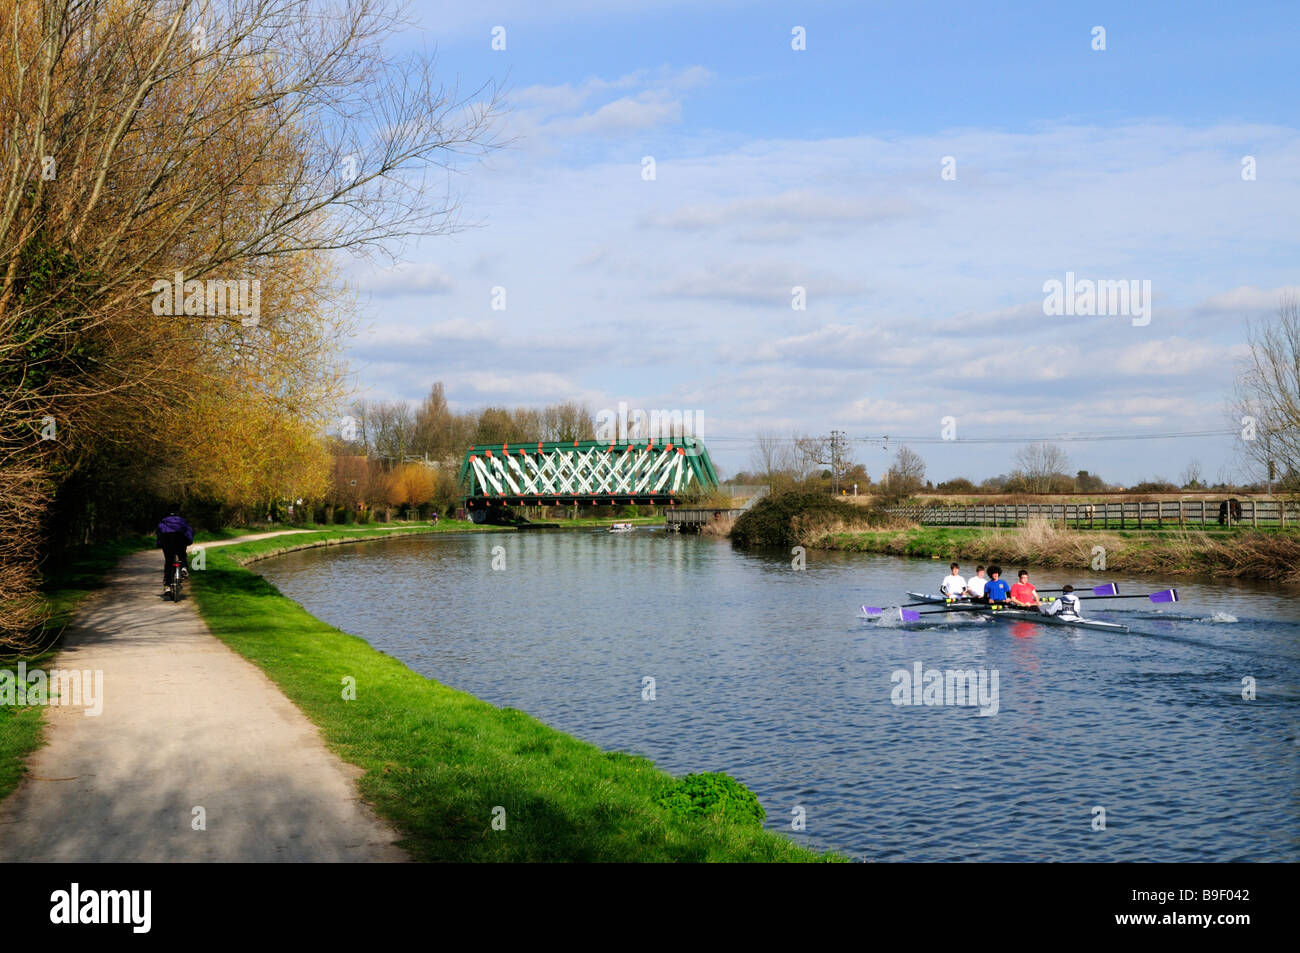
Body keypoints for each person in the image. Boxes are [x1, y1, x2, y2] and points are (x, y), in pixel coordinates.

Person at [156, 503, 194, 596]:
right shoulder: (182, 521)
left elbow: (159, 533)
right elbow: (189, 531)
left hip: (166, 540)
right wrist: (188, 541)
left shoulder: (163, 521)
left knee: (169, 562)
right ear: (178, 512)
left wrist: (159, 544)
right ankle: (184, 567)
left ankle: (167, 587)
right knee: (182, 554)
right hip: (179, 539)